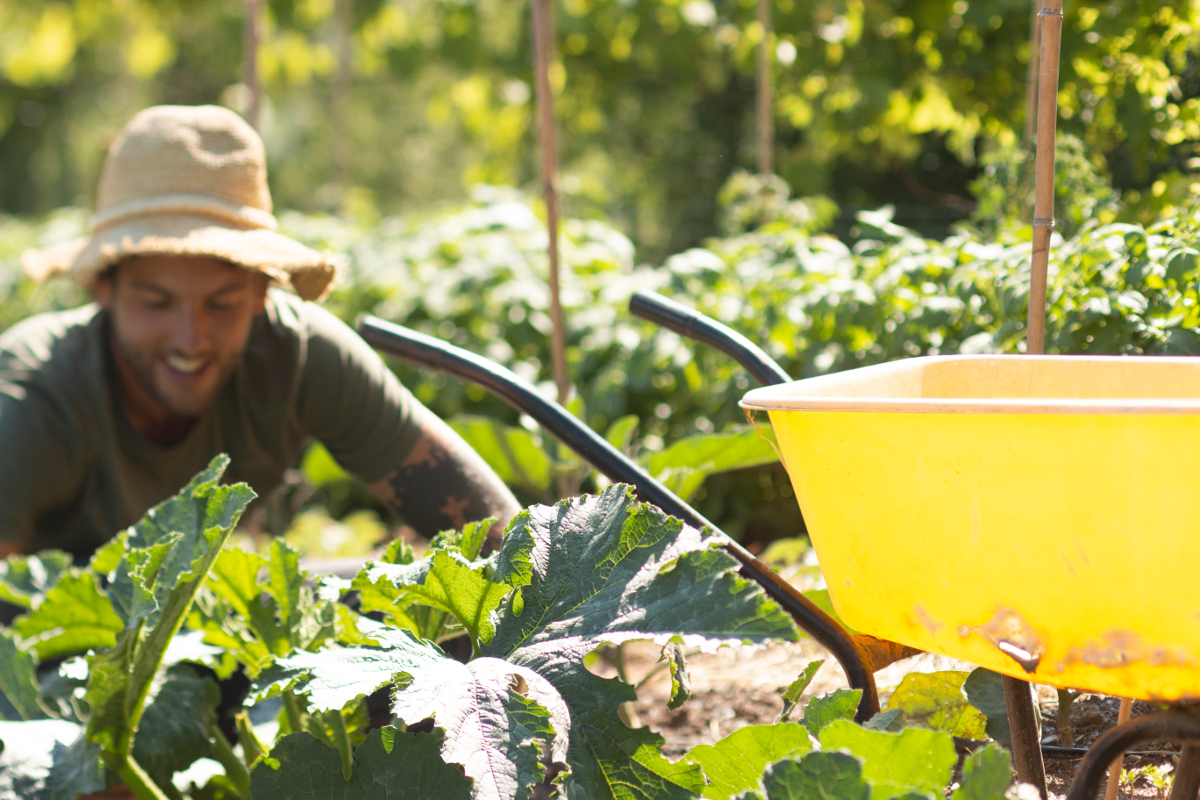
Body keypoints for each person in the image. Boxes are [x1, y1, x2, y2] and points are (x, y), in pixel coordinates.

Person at [2, 104, 521, 562]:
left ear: (261, 292)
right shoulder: (32, 401)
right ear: (102, 289)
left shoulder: (300, 359)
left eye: (222, 303)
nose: (191, 338)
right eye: (157, 303)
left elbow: (497, 535)